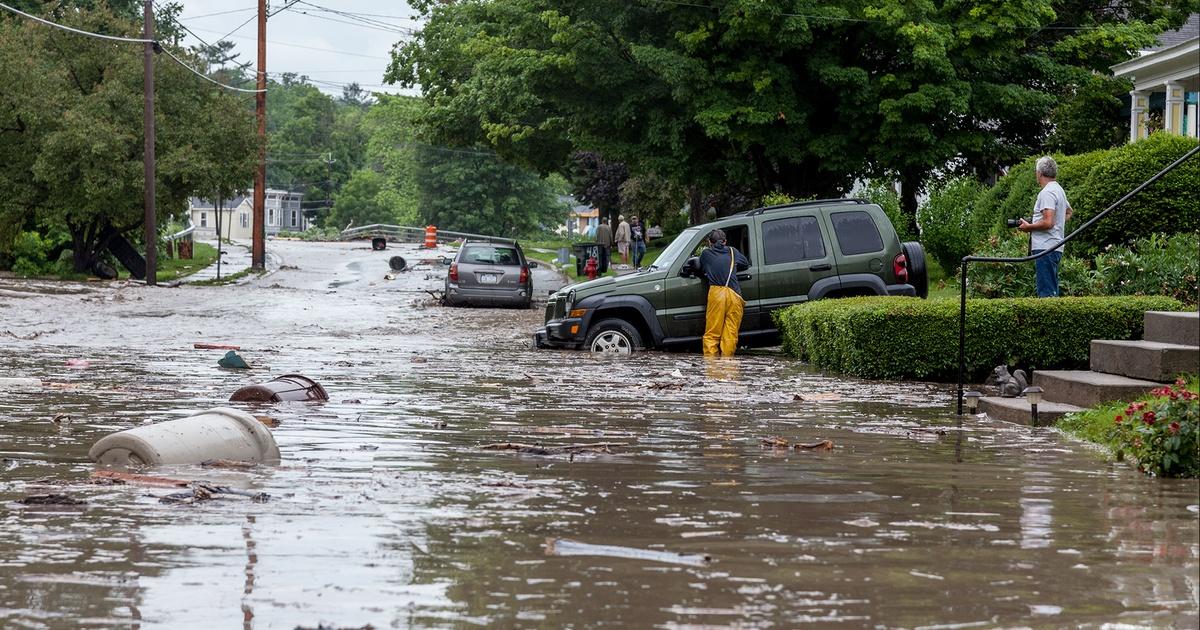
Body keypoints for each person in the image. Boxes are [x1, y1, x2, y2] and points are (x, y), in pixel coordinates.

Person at [1018, 156, 1072, 297]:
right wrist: (1057, 224)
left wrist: (1028, 227)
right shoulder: (1059, 190)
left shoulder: (1047, 192)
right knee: (1052, 289)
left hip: (1045, 247)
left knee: (1046, 292)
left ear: (1039, 173)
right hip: (1055, 246)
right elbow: (1068, 212)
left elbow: (1048, 222)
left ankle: (1049, 318)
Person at [699, 229, 750, 357]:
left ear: (710, 242)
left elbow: (701, 268)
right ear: (725, 241)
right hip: (734, 294)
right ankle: (728, 367)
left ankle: (711, 367)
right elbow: (745, 263)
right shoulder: (733, 252)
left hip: (717, 295)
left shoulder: (705, 254)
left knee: (712, 333)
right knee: (731, 332)